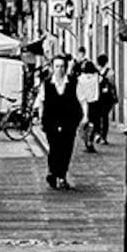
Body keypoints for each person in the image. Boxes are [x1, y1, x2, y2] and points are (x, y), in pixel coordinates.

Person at [41, 53, 82, 189]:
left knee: (66, 149)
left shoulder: (73, 83)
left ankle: (61, 175)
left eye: (62, 66)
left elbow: (81, 100)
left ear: (66, 68)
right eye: (57, 66)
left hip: (69, 121)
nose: (60, 69)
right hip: (51, 121)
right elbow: (41, 102)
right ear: (52, 67)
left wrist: (84, 117)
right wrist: (42, 119)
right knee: (54, 148)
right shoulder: (46, 84)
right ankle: (54, 173)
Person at [76, 57, 102, 151]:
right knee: (94, 121)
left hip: (83, 102)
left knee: (84, 124)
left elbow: (78, 91)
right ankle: (93, 137)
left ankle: (87, 141)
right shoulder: (97, 77)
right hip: (95, 102)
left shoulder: (80, 79)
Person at [95, 54, 117, 144]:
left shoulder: (96, 72)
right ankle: (103, 136)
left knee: (97, 116)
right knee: (104, 117)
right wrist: (115, 97)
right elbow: (112, 85)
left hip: (97, 97)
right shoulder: (110, 72)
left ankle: (98, 134)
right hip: (107, 98)